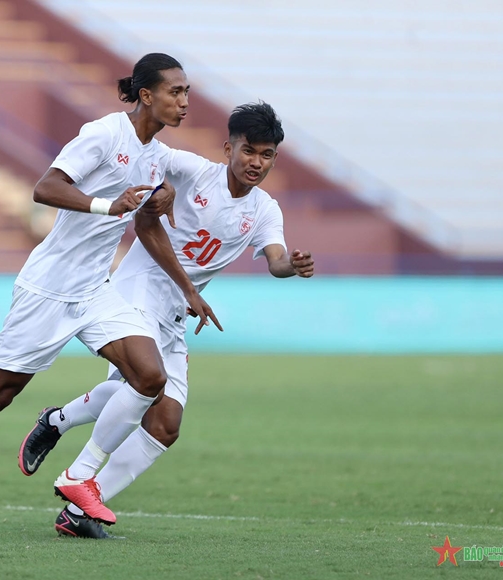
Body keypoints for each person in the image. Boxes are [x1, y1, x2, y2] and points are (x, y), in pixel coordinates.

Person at [0, 53, 219, 540]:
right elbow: (45, 188)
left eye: (188, 92)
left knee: (151, 375)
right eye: (176, 91)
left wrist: (185, 284)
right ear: (147, 95)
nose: (185, 101)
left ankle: (79, 476)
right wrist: (111, 205)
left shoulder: (156, 154)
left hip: (95, 289)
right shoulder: (104, 134)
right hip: (47, 288)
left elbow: (146, 223)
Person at [19, 102, 315, 538]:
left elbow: (275, 260)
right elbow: (146, 162)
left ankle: (72, 480)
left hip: (176, 312)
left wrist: (294, 265)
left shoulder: (265, 210)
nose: (255, 163)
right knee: (143, 381)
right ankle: (77, 473)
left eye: (266, 155)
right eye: (248, 150)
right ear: (228, 146)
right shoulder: (191, 170)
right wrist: (153, 187)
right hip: (136, 292)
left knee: (165, 425)